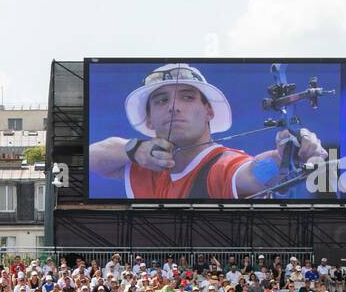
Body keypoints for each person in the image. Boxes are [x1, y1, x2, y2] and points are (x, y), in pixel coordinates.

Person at [88, 62, 326, 200]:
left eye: (187, 97)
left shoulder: (222, 166)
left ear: (209, 111)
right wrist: (135, 149)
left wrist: (286, 156)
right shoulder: (140, 164)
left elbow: (252, 173)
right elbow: (91, 156)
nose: (173, 107)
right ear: (148, 120)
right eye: (161, 101)